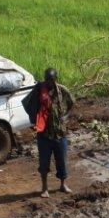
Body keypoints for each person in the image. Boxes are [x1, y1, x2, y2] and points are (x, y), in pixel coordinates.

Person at [21, 68, 74, 198]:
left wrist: (65, 116)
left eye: (50, 79)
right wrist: (34, 119)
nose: (48, 82)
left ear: (55, 79)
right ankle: (45, 187)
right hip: (44, 134)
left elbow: (71, 104)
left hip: (60, 133)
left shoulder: (62, 91)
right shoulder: (39, 91)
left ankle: (63, 184)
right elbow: (26, 103)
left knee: (61, 161)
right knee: (44, 162)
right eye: (46, 79)